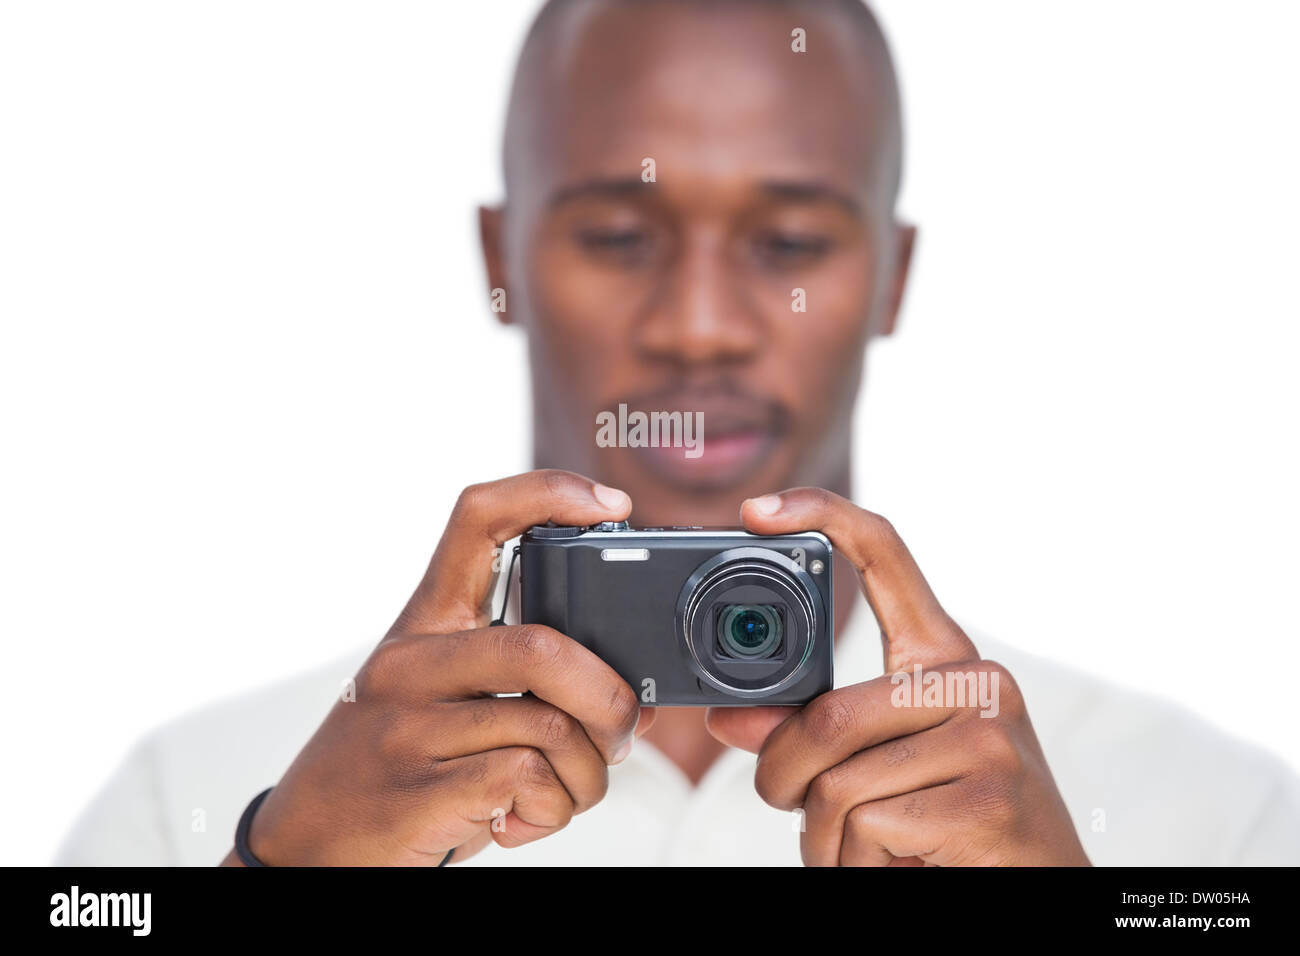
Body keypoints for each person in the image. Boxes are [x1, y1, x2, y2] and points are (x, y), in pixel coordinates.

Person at [57, 0, 1300, 867]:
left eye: (790, 245)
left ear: (890, 278)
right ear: (501, 262)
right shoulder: (212, 800)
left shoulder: (1211, 816)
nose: (699, 327)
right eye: (616, 236)